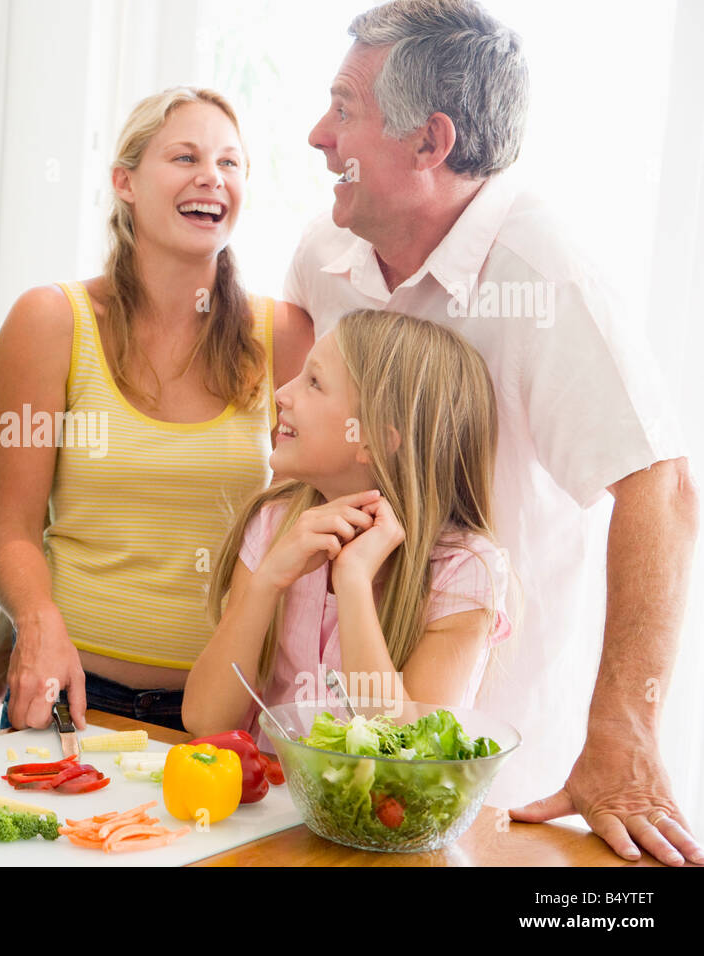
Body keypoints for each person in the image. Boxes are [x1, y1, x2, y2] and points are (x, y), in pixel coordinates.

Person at [284, 0, 701, 865]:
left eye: (346, 108)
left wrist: (623, 729)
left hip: (488, 771)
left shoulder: (548, 277)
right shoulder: (326, 247)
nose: (319, 134)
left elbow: (659, 486)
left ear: (430, 142)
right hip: (325, 755)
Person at [0, 87, 315, 731]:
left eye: (229, 163)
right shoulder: (50, 321)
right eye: (185, 157)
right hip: (72, 701)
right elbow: (11, 532)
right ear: (125, 182)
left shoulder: (286, 335)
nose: (210, 178)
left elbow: (294, 538)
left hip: (223, 716)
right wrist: (38, 625)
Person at [185, 310, 512, 737]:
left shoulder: (464, 570)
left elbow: (407, 760)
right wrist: (267, 582)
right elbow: (205, 721)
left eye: (315, 382)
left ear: (376, 438)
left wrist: (354, 582)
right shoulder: (273, 526)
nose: (282, 394)